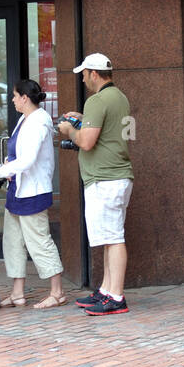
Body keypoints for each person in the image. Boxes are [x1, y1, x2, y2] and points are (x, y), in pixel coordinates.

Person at [58, 53, 134, 316]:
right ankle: (106, 290)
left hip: (105, 179)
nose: (82, 78)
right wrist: (83, 117)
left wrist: (70, 130)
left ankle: (116, 296)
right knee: (108, 237)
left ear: (94, 73)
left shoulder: (97, 100)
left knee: (113, 238)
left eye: (84, 73)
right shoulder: (119, 97)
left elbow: (87, 142)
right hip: (116, 176)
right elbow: (110, 129)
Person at [0, 79, 66, 309]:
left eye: (15, 96)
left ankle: (57, 292)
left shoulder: (38, 122)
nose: (12, 100)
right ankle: (17, 293)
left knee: (39, 241)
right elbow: (21, 157)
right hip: (18, 190)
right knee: (13, 241)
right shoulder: (25, 119)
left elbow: (28, 161)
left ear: (25, 98)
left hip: (32, 192)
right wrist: (9, 167)